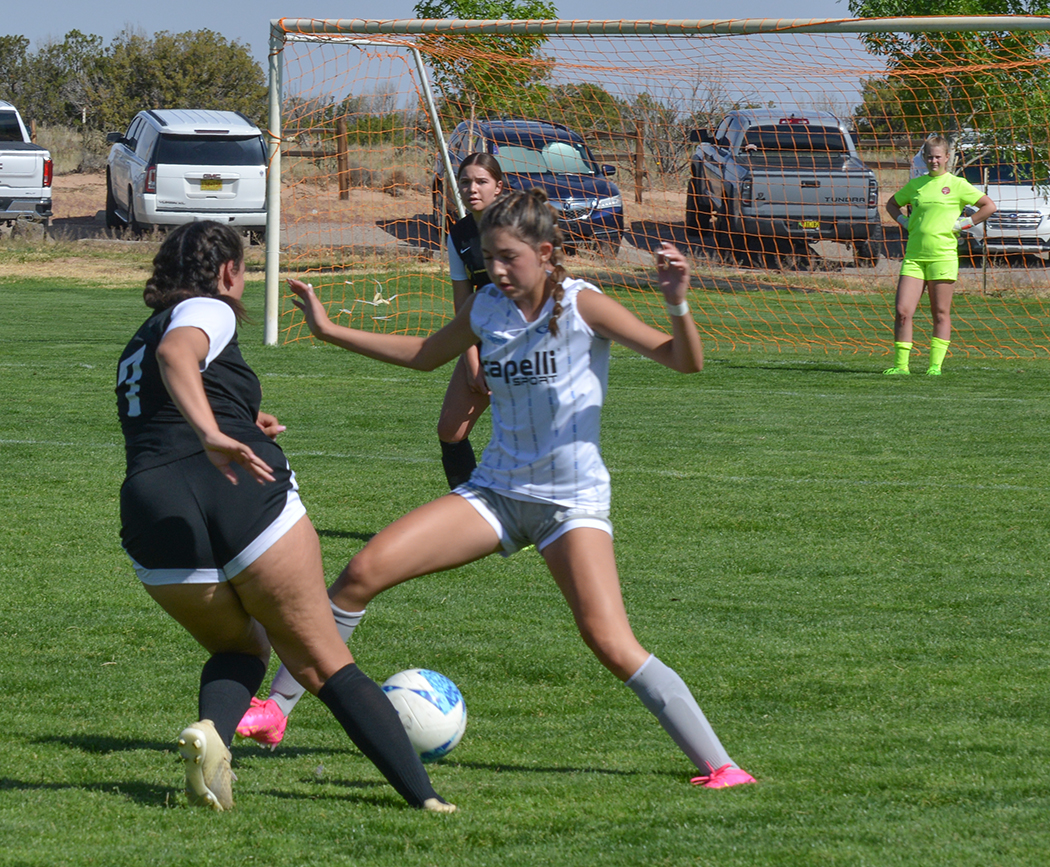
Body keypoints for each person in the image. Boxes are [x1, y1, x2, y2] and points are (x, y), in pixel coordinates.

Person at [239, 189, 756, 790]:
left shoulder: (583, 303)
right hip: (494, 495)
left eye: (510, 257)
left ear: (545, 252)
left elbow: (683, 361)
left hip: (570, 505)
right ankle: (275, 711)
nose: (499, 270)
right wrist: (329, 331)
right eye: (490, 257)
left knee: (610, 642)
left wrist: (678, 304)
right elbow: (425, 354)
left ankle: (721, 766)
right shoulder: (487, 305)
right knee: (362, 572)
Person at [115, 221, 454, 813]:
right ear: (227, 272)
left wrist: (244, 419)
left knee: (243, 650)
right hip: (236, 489)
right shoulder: (209, 308)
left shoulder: (137, 342)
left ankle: (212, 736)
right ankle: (424, 798)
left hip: (153, 509)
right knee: (323, 659)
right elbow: (182, 355)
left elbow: (174, 394)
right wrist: (217, 434)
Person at [884, 134, 996, 375]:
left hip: (943, 257)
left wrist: (963, 224)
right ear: (924, 158)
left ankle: (935, 367)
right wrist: (904, 221)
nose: (934, 161)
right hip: (914, 258)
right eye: (929, 156)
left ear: (946, 157)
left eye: (938, 157)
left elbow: (989, 206)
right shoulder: (916, 185)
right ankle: (900, 367)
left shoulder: (957, 184)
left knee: (941, 313)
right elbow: (891, 204)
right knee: (903, 311)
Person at [438, 153, 504, 489]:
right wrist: (471, 360)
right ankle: (473, 512)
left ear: (498, 187)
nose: (472, 188)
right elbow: (463, 305)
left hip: (527, 341)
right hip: (483, 339)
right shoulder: (459, 234)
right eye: (465, 182)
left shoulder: (518, 225)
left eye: (481, 181)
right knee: (451, 430)